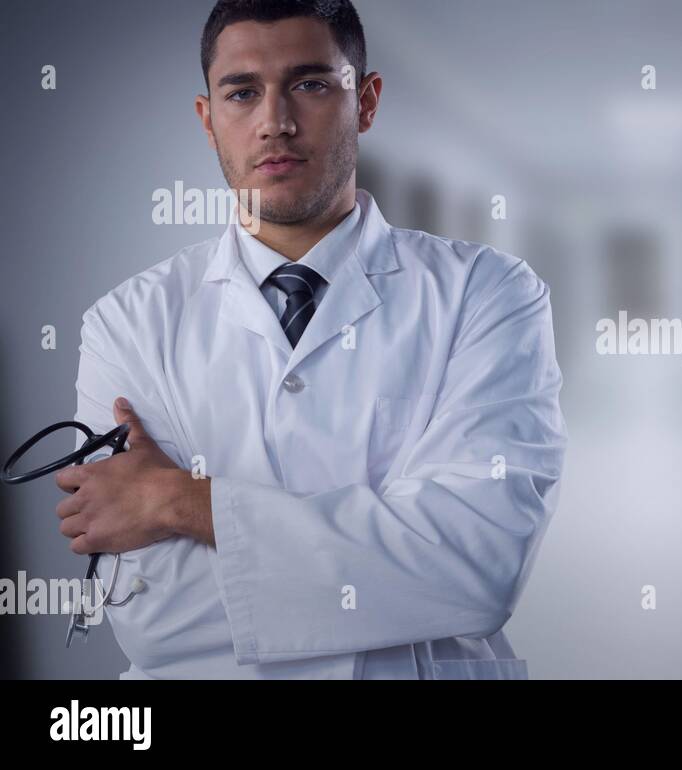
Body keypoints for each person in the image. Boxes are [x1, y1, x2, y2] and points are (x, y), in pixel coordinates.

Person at [50, 0, 567, 679]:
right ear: (209, 120)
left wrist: (176, 501)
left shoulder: (489, 294)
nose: (276, 122)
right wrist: (390, 573)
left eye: (311, 84)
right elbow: (157, 623)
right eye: (242, 92)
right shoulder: (126, 324)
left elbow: (477, 570)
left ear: (368, 100)